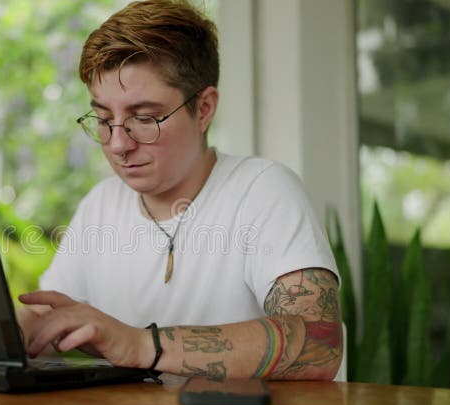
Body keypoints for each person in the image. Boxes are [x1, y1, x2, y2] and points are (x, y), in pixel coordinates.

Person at [17, 0, 342, 381]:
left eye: (144, 118)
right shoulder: (101, 205)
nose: (118, 144)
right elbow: (48, 317)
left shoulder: (264, 190)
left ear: (203, 109)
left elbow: (320, 345)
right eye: (104, 119)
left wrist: (142, 345)